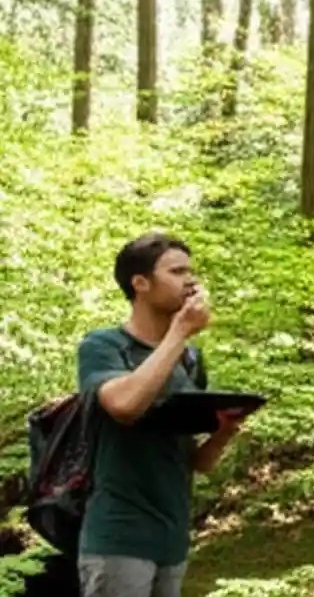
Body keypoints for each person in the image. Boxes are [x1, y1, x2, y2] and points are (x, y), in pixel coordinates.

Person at [77, 233, 245, 597]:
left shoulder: (190, 360)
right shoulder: (104, 346)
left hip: (173, 538)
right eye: (176, 271)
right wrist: (180, 331)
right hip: (119, 535)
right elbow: (124, 406)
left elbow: (195, 463)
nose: (190, 281)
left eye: (191, 271)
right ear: (140, 283)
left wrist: (223, 433)